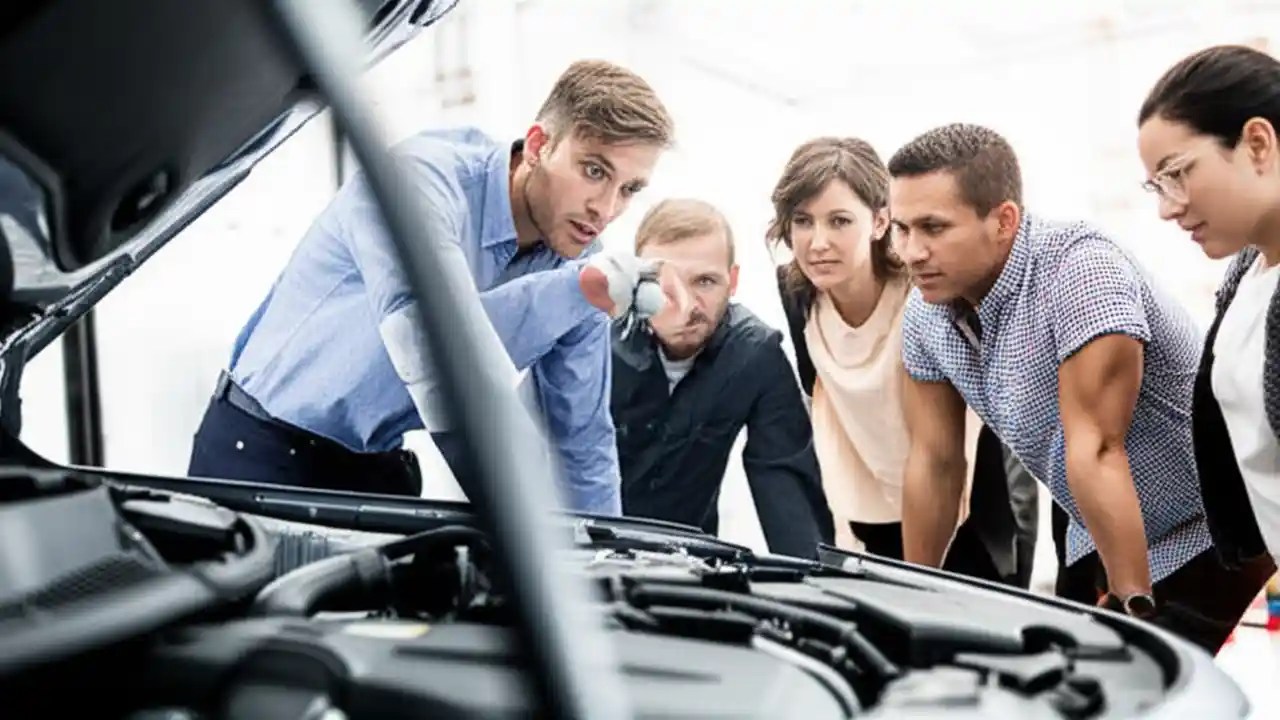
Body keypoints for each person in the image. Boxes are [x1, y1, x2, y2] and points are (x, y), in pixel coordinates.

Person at [187, 59, 679, 516]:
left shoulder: (585, 266)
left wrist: (610, 559)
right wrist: (574, 292)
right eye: (594, 171)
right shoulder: (420, 181)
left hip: (374, 466)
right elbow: (431, 342)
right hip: (261, 450)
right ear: (537, 146)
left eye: (629, 189)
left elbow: (582, 439)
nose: (606, 209)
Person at [889, 121, 1270, 654]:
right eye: (901, 229)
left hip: (1211, 535)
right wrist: (910, 599)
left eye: (933, 228)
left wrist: (1133, 606)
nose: (911, 252)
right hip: (1095, 525)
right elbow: (935, 462)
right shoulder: (924, 313)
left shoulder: (1081, 271)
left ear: (1003, 220)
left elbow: (1097, 447)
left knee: (1138, 680)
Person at [768, 136, 1037, 585]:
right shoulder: (797, 295)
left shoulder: (927, 291)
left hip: (972, 512)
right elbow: (822, 398)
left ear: (880, 222)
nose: (818, 242)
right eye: (802, 221)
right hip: (872, 509)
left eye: (839, 221)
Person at [610, 198, 833, 558]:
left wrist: (811, 577)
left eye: (705, 281)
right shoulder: (594, 344)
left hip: (686, 564)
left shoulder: (755, 355)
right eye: (664, 282)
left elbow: (785, 483)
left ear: (733, 281)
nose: (686, 303)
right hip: (578, 554)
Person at [1136, 44, 1280, 577]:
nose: (1167, 208)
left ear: (1257, 143)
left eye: (1176, 173)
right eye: (1157, 186)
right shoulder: (1247, 274)